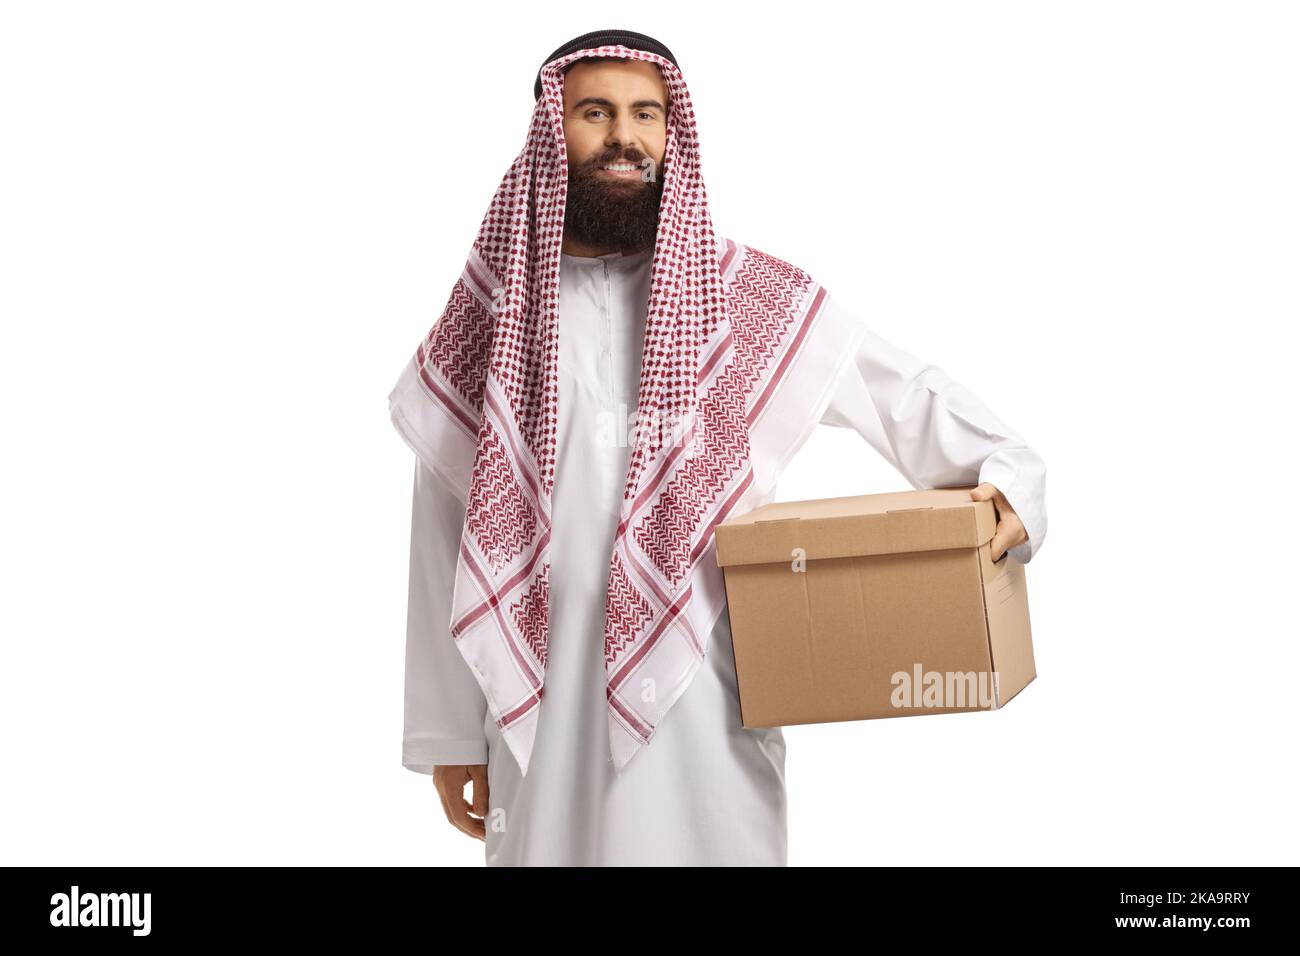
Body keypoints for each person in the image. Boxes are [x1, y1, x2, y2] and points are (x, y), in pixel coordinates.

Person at [388, 29, 1048, 866]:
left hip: (705, 697)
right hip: (538, 708)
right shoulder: (493, 317)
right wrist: (448, 729)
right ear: (552, 133)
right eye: (595, 112)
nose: (624, 136)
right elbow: (442, 526)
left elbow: (895, 390)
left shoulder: (743, 298)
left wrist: (1009, 475)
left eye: (646, 114)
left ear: (673, 133)